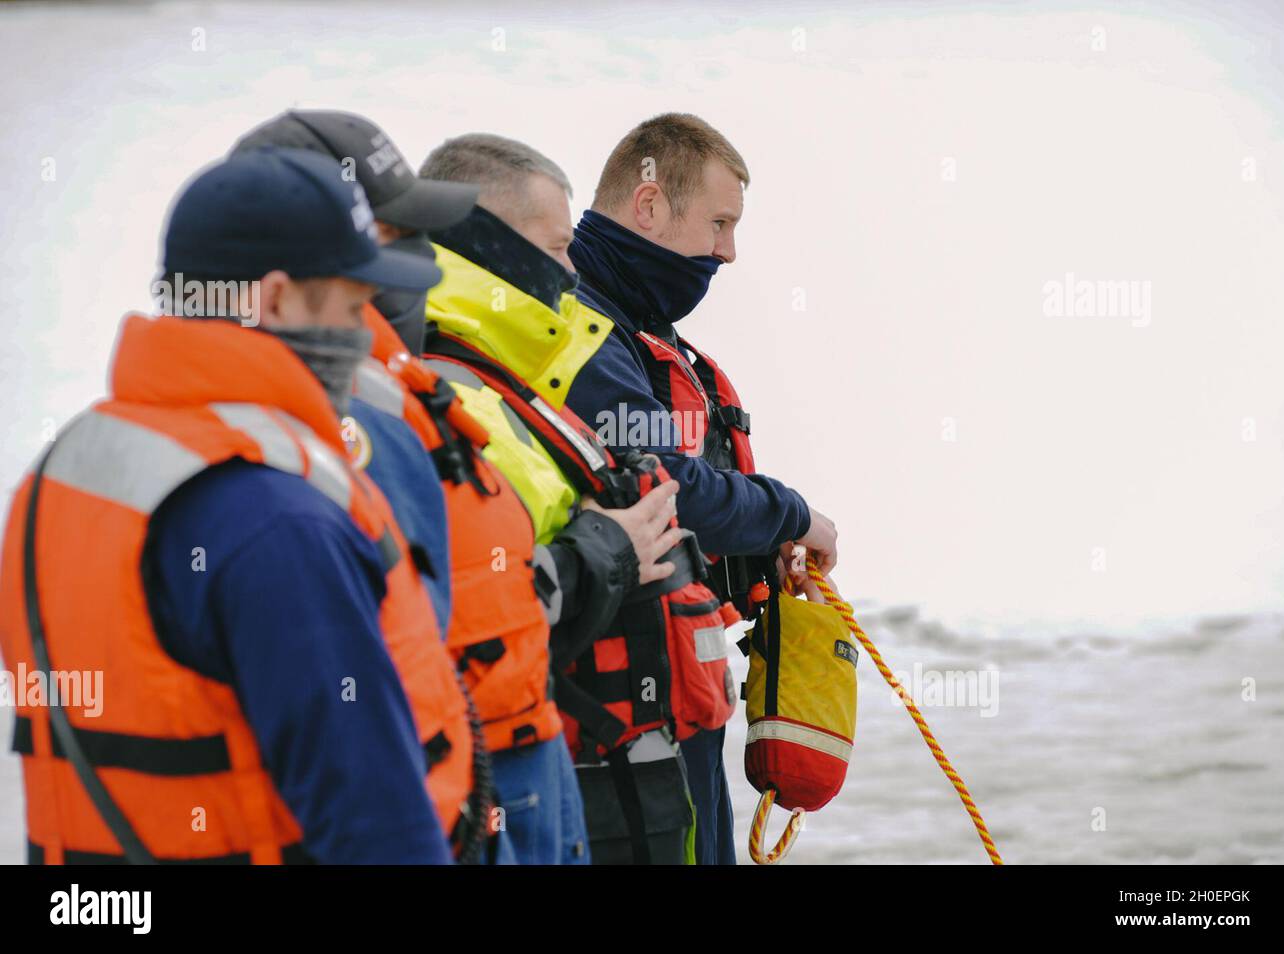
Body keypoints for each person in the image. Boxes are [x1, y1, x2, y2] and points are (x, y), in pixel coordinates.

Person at [0, 148, 475, 864]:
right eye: (353, 307)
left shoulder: (66, 468)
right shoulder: (277, 517)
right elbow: (374, 824)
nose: (365, 335)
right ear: (277, 298)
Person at [232, 110, 669, 864]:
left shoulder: (414, 391)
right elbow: (400, 656)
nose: (414, 260)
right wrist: (604, 550)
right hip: (470, 782)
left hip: (517, 753)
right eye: (395, 238)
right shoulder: (342, 426)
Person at [418, 134, 738, 864]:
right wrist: (611, 547)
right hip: (541, 772)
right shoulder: (443, 398)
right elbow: (458, 629)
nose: (572, 271)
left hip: (603, 766)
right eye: (558, 247)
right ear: (484, 246)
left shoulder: (515, 382)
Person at [564, 113, 840, 865]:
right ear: (649, 206)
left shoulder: (645, 335)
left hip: (681, 700)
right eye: (719, 223)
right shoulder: (583, 329)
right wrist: (794, 513)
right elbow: (671, 489)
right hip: (622, 716)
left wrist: (761, 547)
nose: (729, 250)